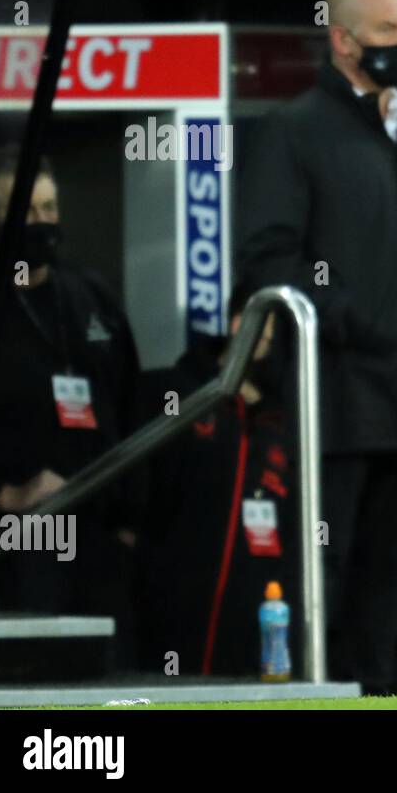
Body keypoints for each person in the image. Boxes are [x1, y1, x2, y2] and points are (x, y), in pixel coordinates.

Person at [235, 0, 397, 694]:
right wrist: (353, 318)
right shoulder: (294, 130)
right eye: (389, 32)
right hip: (339, 397)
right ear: (343, 40)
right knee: (324, 565)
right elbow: (267, 259)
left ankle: (374, 694)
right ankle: (312, 691)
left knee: (393, 567)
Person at [0, 147, 143, 658]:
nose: (41, 223)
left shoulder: (90, 296)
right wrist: (2, 495)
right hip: (10, 544)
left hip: (98, 538)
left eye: (49, 209)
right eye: (25, 211)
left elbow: (132, 405)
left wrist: (131, 518)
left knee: (110, 678)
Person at [134, 289, 298, 678]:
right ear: (237, 320)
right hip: (177, 586)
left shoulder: (280, 416)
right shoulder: (181, 391)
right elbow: (144, 487)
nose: (267, 343)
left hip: (256, 595)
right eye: (262, 330)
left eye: (274, 337)